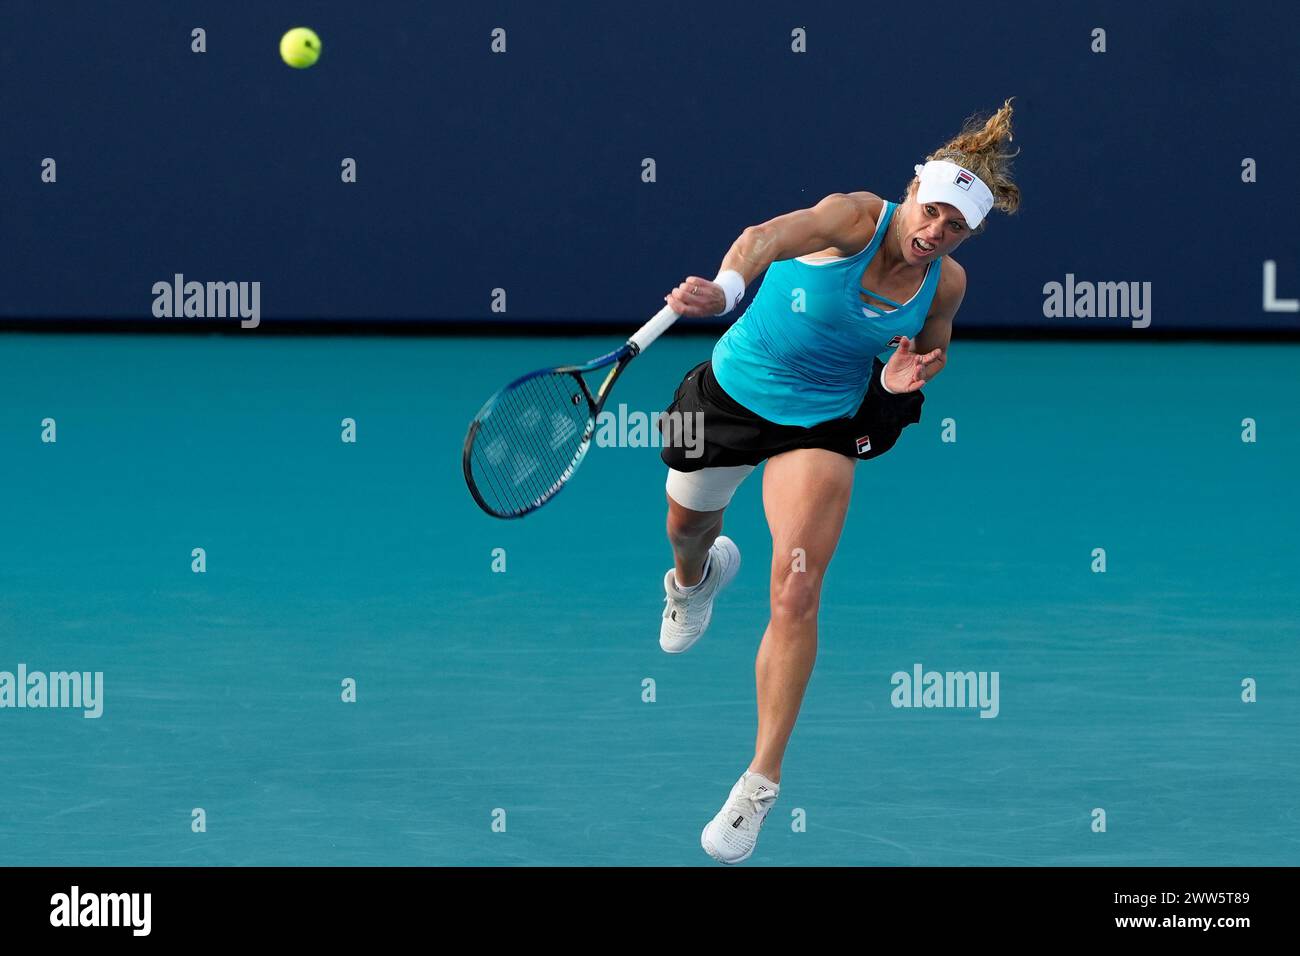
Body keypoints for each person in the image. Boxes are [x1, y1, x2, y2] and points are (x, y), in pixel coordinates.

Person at [656, 99, 1021, 864]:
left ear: (969, 235)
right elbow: (762, 239)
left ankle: (757, 785)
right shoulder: (854, 216)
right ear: (914, 191)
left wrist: (899, 380)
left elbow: (930, 349)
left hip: (819, 424)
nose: (936, 233)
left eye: (957, 228)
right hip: (727, 395)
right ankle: (691, 582)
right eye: (933, 212)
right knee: (687, 531)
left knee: (796, 587)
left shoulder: (945, 284)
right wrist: (724, 293)